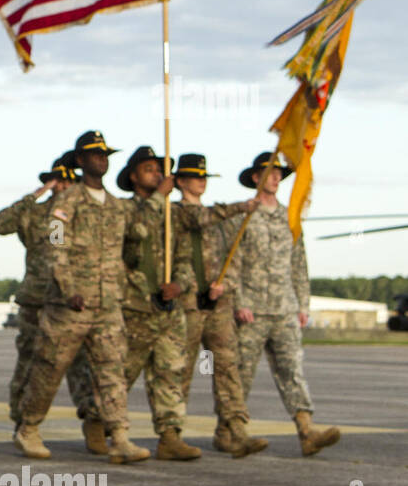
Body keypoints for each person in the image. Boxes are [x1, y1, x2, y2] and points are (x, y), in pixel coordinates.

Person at [16, 131, 149, 464]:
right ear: (80, 160)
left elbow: (132, 245)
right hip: (70, 304)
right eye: (94, 154)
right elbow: (56, 246)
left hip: (107, 305)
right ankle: (28, 427)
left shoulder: (118, 206)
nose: (101, 159)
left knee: (111, 371)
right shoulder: (67, 201)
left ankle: (119, 437)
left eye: (105, 154)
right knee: (50, 367)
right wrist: (67, 287)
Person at [0, 155, 104, 453]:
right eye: (58, 181)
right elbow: (1, 224)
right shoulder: (35, 214)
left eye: (69, 181)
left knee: (83, 365)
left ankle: (94, 422)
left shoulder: (84, 214)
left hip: (73, 301)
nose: (63, 186)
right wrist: (35, 195)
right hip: (37, 300)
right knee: (31, 362)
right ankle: (23, 423)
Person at [233, 152, 340, 455]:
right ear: (256, 178)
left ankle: (307, 432)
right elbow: (231, 264)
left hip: (284, 309)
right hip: (251, 309)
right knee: (240, 375)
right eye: (270, 172)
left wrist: (302, 304)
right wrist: (238, 301)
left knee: (292, 370)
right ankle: (232, 432)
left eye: (279, 173)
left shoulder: (290, 217)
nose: (276, 178)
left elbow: (299, 264)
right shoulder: (243, 216)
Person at [172, 154, 265, 457]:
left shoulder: (220, 220)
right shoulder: (174, 213)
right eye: (195, 176)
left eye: (204, 176)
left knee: (226, 367)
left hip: (218, 306)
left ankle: (235, 430)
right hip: (186, 304)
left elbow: (233, 257)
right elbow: (199, 218)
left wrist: (227, 285)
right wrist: (241, 206)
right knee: (180, 370)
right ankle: (171, 433)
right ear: (180, 181)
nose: (201, 181)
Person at [114, 146, 201, 459]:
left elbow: (186, 256)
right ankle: (104, 426)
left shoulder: (173, 214)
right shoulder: (123, 208)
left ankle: (170, 435)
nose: (158, 174)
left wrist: (180, 283)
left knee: (170, 372)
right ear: (134, 175)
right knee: (122, 373)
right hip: (134, 306)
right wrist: (157, 199)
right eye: (149, 168)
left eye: (160, 169)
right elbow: (135, 233)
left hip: (167, 309)